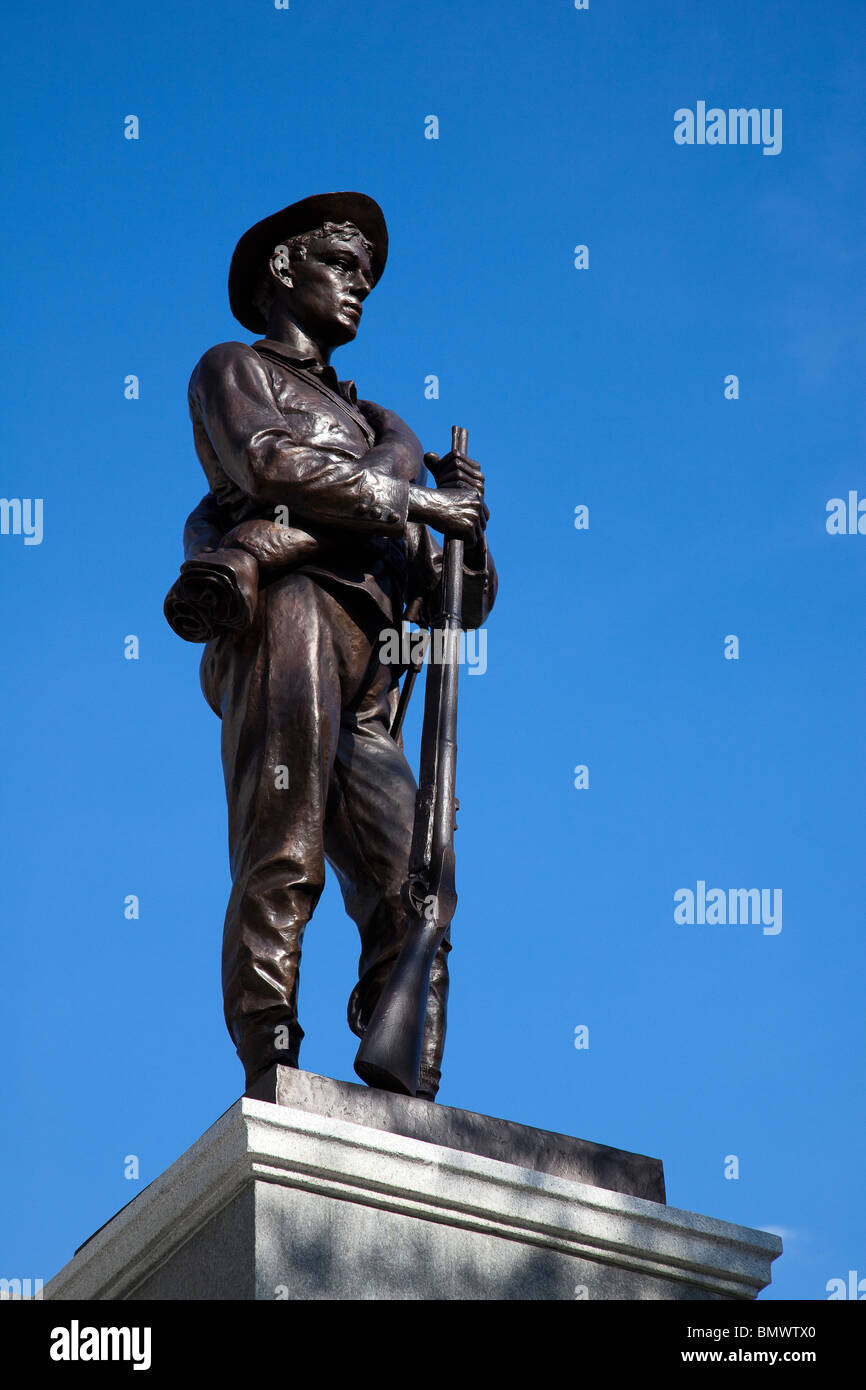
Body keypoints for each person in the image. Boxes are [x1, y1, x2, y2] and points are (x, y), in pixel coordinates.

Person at [165, 192, 497, 1098]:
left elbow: (457, 604)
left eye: (368, 277)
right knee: (284, 844)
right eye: (343, 266)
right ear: (284, 269)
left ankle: (408, 1085)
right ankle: (271, 1054)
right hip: (292, 614)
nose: (360, 288)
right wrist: (421, 500)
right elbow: (270, 466)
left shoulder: (375, 427)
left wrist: (468, 527)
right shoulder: (235, 369)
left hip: (379, 662)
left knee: (416, 878)